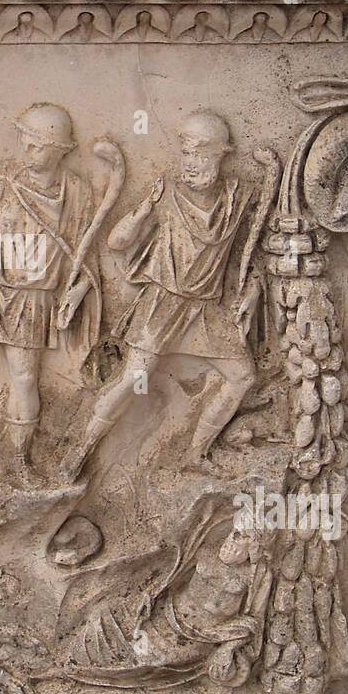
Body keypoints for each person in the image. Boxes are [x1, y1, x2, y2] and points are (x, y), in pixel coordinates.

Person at [66, 111, 259, 480]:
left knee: (243, 377)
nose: (192, 163)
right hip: (164, 304)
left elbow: (250, 252)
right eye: (187, 153)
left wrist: (253, 289)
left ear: (222, 155)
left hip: (208, 308)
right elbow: (117, 242)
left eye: (202, 154)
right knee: (133, 376)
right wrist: (143, 210)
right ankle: (80, 449)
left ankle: (195, 454)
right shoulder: (165, 192)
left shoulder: (239, 198)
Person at [0, 103, 99, 486]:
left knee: (25, 378)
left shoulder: (77, 193)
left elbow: (87, 256)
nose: (27, 150)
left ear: (61, 149)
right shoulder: (2, 185)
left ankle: (19, 462)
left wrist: (76, 293)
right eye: (25, 141)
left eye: (37, 144)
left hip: (35, 299)